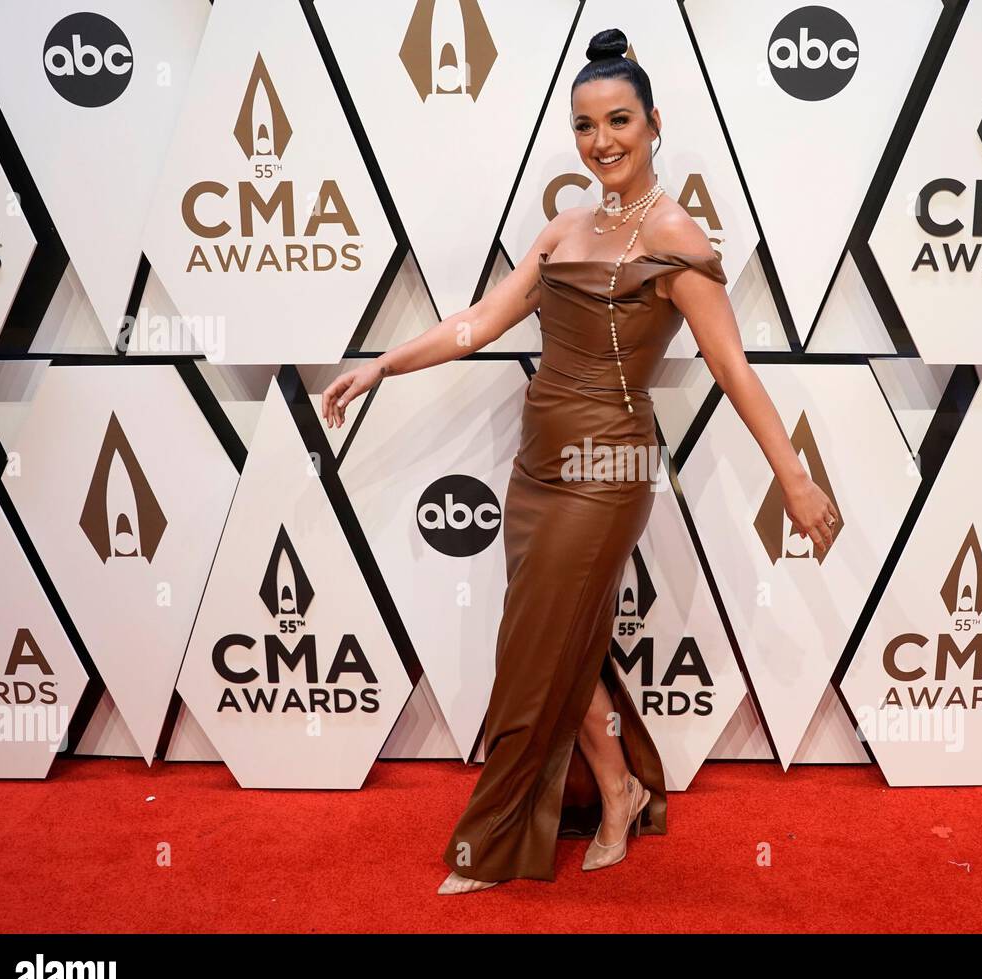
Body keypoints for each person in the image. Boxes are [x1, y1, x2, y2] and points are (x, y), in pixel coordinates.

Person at [321, 28, 839, 895]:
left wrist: (792, 475)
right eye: (587, 127)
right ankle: (618, 786)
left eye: (620, 121)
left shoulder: (678, 241)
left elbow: (731, 368)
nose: (604, 142)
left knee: (530, 654)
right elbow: (475, 325)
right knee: (562, 644)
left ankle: (486, 846)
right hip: (536, 469)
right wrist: (381, 364)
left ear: (654, 123)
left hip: (611, 471)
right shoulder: (564, 229)